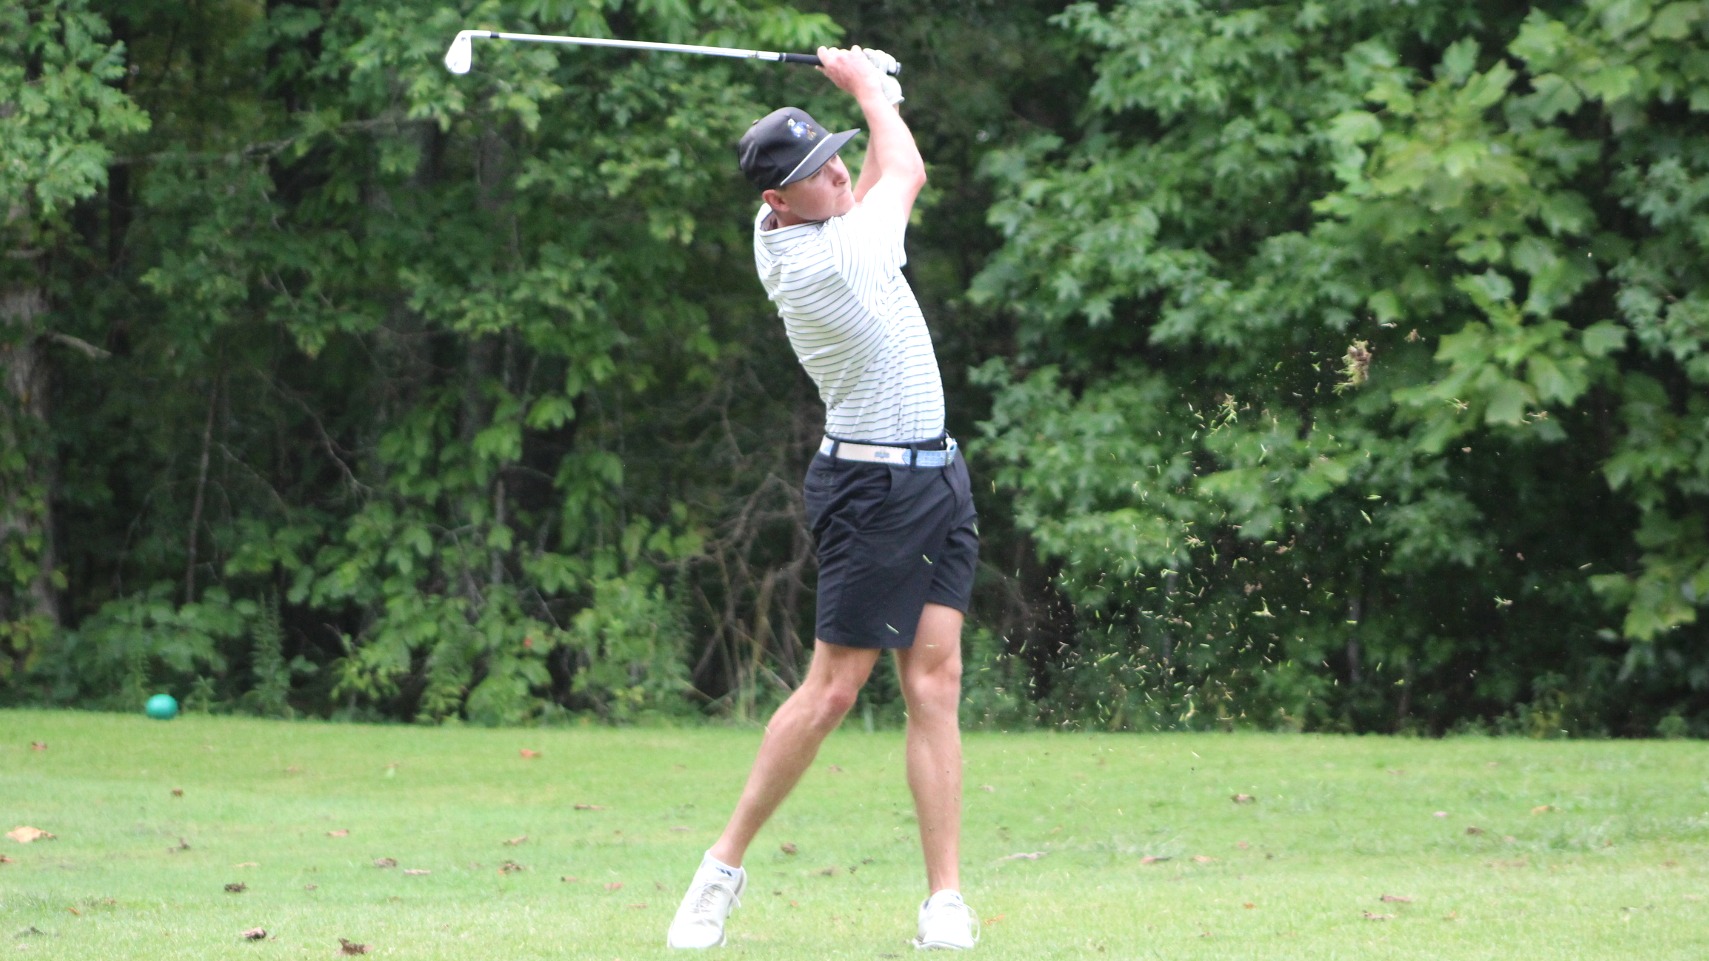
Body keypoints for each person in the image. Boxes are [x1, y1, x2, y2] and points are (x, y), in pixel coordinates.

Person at [665, 45, 980, 951]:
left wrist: (875, 105)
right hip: (871, 487)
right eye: (813, 173)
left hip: (936, 475)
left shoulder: (824, 220)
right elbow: (905, 167)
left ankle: (944, 900)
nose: (838, 174)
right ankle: (718, 871)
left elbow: (879, 171)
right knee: (835, 689)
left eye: (836, 155)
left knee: (936, 679)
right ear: (776, 203)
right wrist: (871, 91)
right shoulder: (825, 261)